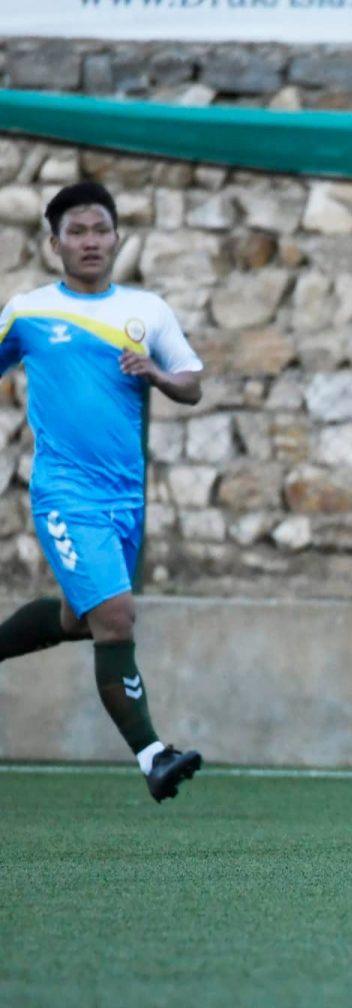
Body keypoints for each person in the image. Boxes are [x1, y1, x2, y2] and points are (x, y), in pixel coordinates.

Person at [0, 181, 204, 802]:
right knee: (115, 617)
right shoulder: (29, 312)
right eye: (77, 232)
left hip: (126, 500)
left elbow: (192, 384)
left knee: (79, 617)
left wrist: (157, 373)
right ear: (55, 242)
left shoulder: (146, 312)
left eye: (100, 230)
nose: (90, 241)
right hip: (65, 493)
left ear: (117, 237)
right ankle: (153, 756)